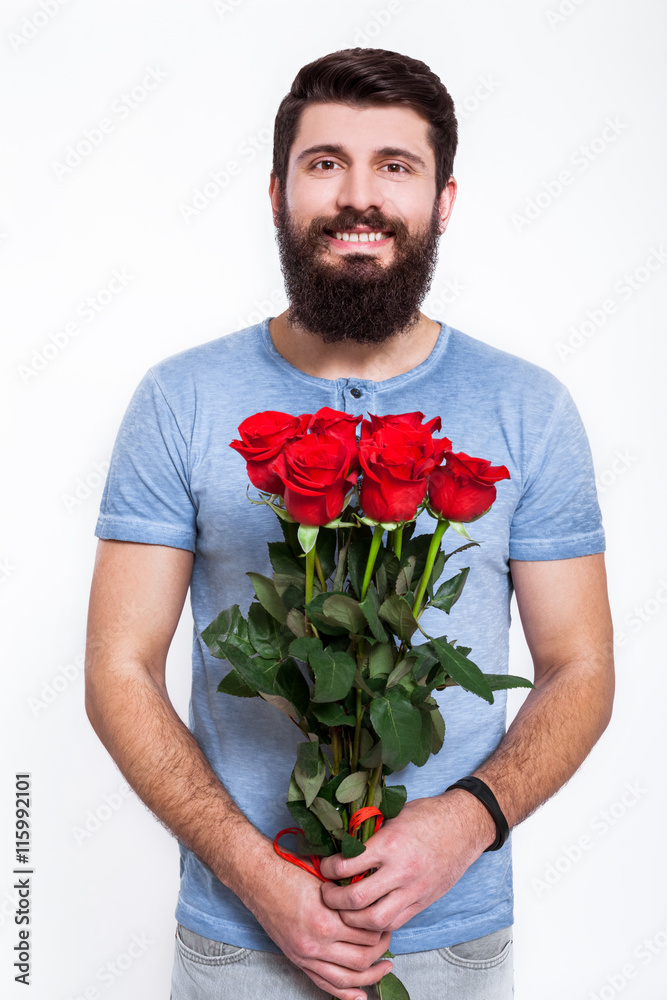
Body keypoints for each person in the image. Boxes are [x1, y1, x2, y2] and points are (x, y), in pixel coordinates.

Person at [85, 48, 614, 1000]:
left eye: (394, 167)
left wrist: (466, 821)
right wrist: (257, 875)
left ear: (442, 200)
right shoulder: (183, 399)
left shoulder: (528, 407)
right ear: (278, 191)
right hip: (240, 942)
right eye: (324, 163)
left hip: (450, 936)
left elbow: (580, 666)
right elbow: (117, 669)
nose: (357, 198)